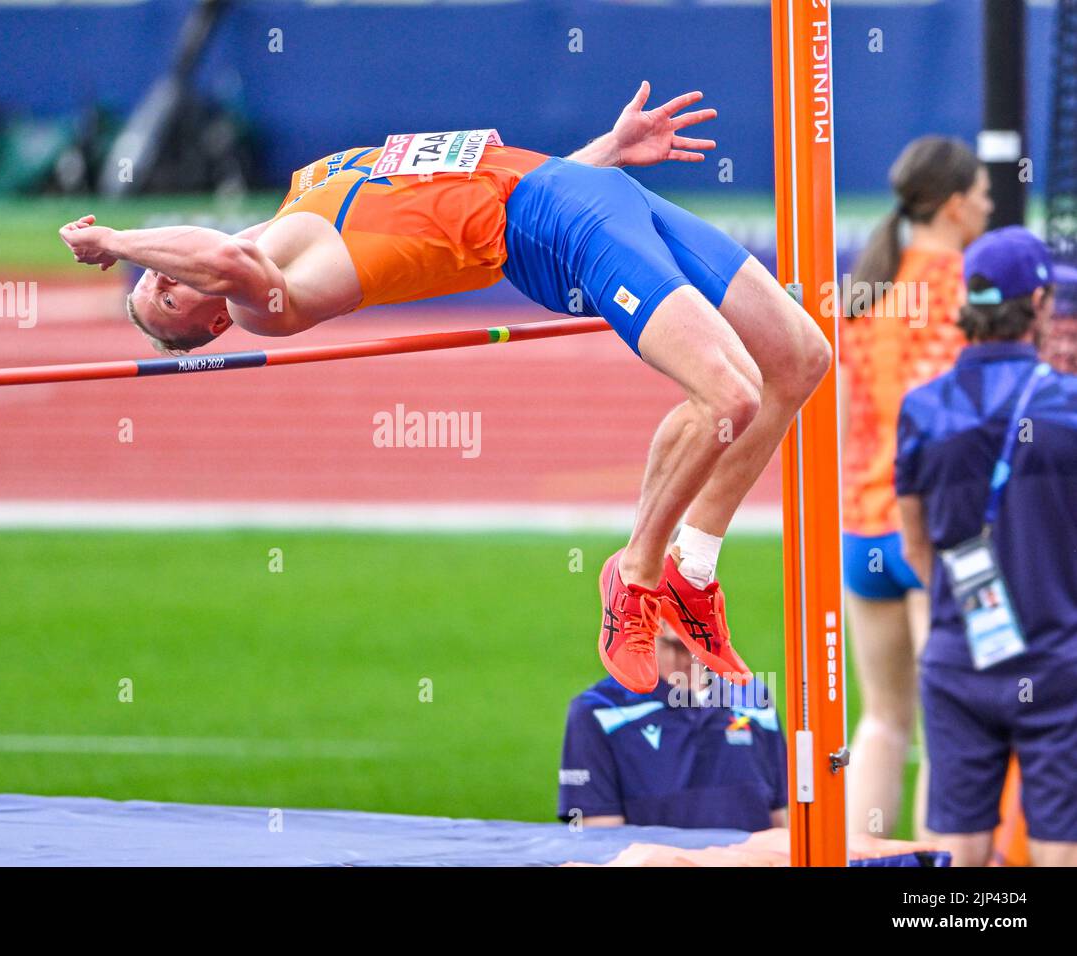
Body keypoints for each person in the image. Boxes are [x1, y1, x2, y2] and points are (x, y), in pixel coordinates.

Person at [59, 81, 831, 693]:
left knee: (800, 358)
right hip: (557, 224)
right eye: (160, 294)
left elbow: (470, 186)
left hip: (575, 187)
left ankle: (692, 574)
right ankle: (635, 578)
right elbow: (223, 262)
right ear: (215, 325)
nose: (160, 273)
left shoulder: (305, 189)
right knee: (728, 395)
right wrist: (116, 242)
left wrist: (606, 149)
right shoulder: (266, 300)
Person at [896, 226, 1077, 867]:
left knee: (959, 849)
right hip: (1059, 657)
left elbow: (914, 544)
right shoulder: (1066, 405)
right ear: (1038, 306)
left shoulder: (922, 409)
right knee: (1061, 843)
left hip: (958, 655)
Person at [839, 136, 991, 837]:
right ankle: (936, 890)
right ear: (956, 206)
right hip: (938, 528)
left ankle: (859, 855)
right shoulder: (967, 290)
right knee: (950, 727)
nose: (991, 206)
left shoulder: (867, 291)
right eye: (985, 195)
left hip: (862, 526)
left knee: (881, 720)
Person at [557, 620, 787, 831]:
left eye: (686, 584)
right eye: (661, 588)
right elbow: (604, 845)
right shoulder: (598, 710)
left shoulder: (753, 697)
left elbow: (778, 824)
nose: (674, 601)